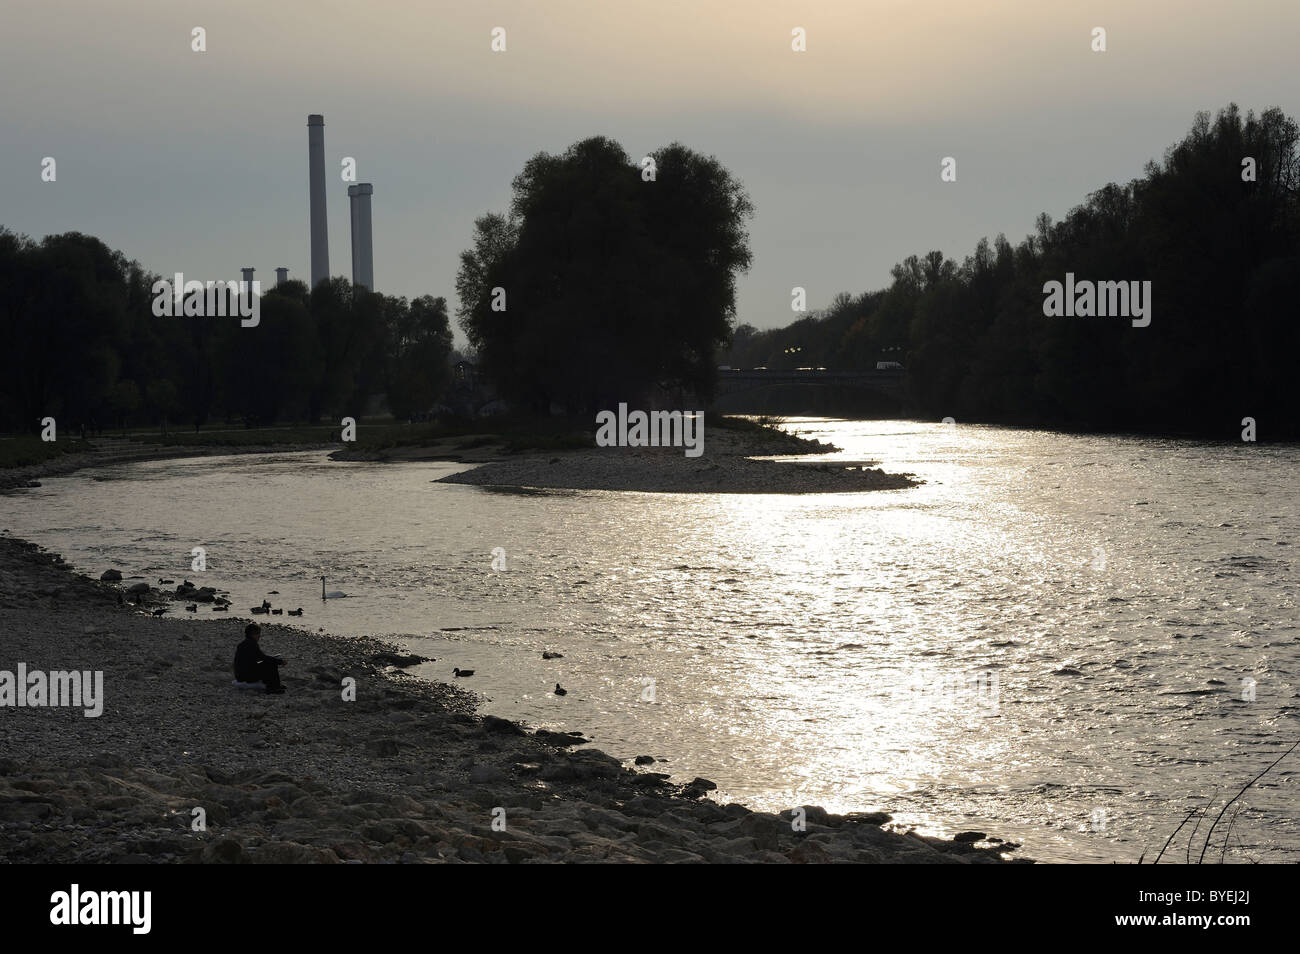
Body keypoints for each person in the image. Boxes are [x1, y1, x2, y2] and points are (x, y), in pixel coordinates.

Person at [233, 622, 286, 694]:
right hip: (245, 675)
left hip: (240, 674)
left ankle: (275, 685)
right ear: (252, 634)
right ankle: (273, 688)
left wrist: (272, 659)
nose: (259, 636)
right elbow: (262, 658)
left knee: (267, 662)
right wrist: (279, 661)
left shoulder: (244, 643)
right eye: (257, 633)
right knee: (271, 664)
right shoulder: (251, 644)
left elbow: (257, 658)